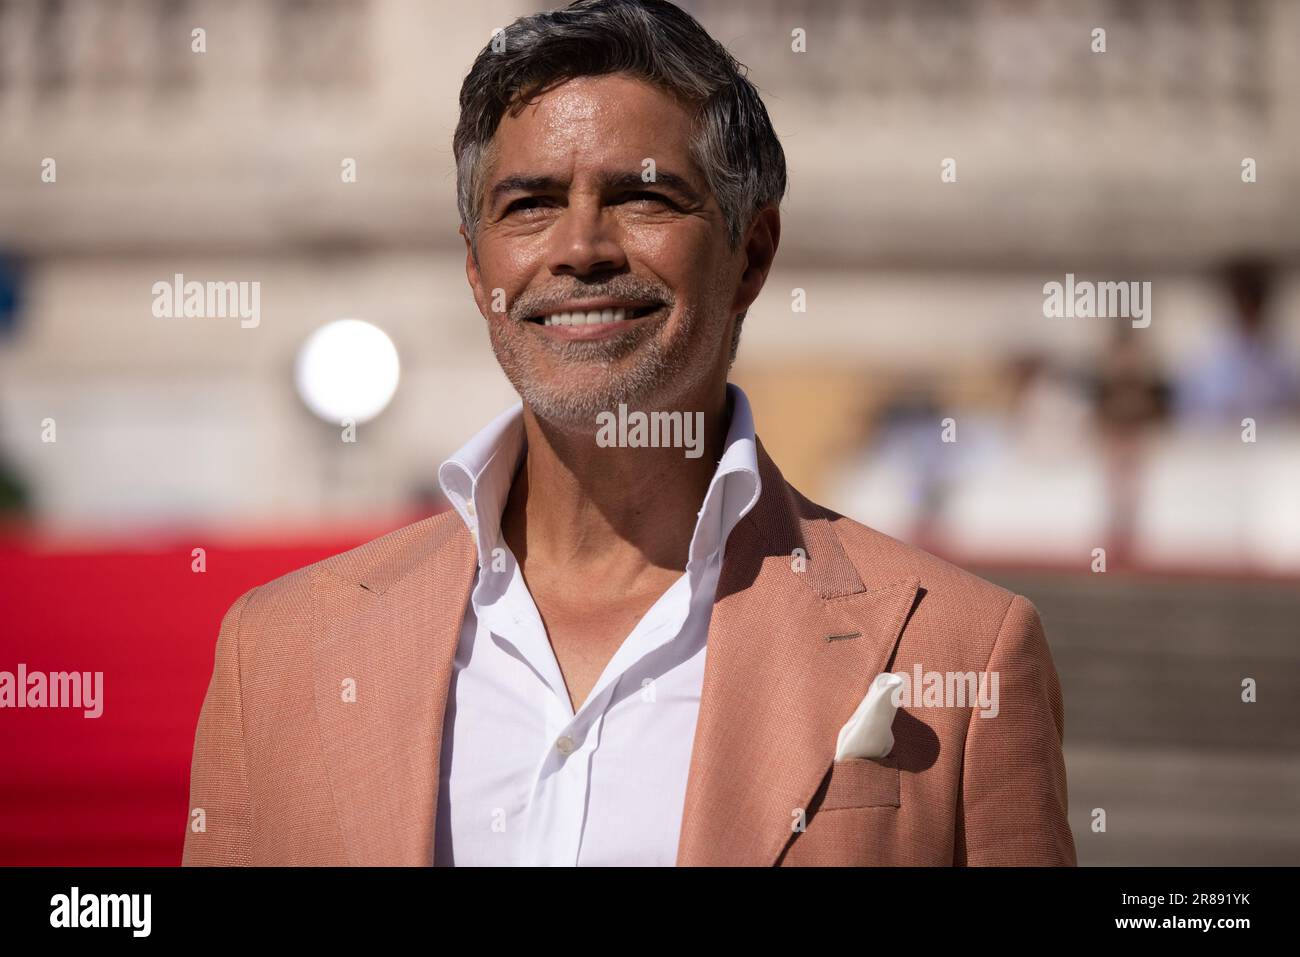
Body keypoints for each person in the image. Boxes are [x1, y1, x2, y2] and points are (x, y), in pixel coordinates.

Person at [183, 0, 1074, 866]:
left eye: (642, 197)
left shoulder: (960, 650)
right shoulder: (279, 651)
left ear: (751, 255)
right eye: (530, 203)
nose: (580, 248)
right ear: (475, 263)